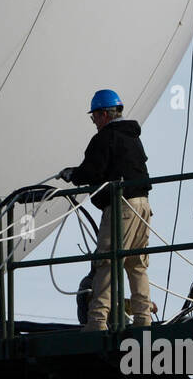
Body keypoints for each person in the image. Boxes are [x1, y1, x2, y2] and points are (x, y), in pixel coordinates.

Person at [58, 89, 154, 330]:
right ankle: (143, 319)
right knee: (136, 263)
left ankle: (98, 320)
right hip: (143, 206)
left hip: (122, 207)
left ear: (103, 115)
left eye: (94, 117)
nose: (94, 123)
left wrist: (73, 175)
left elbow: (92, 171)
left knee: (107, 261)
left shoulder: (105, 138)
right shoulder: (133, 137)